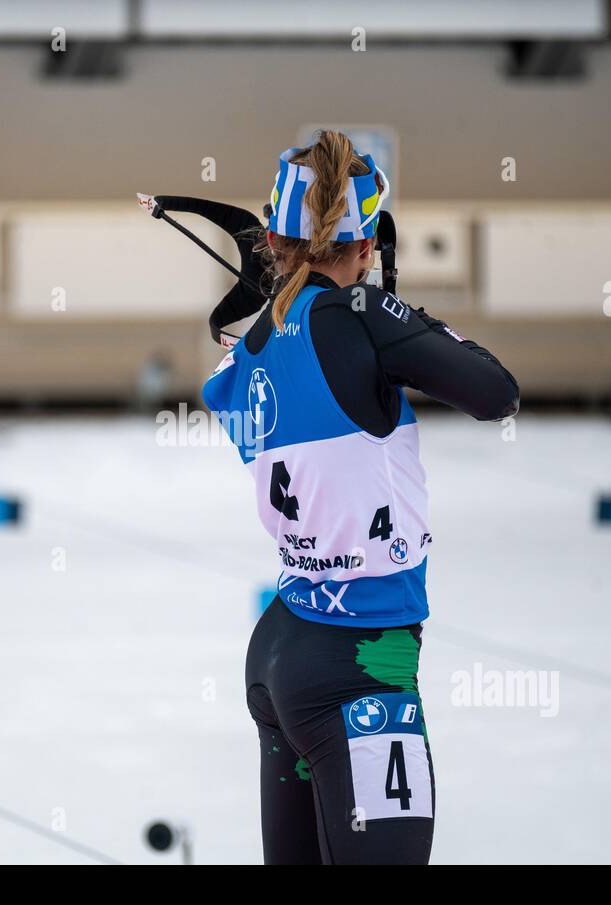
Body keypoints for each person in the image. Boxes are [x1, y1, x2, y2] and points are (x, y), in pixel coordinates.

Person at [201, 130, 519, 864]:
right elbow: (494, 392)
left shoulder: (248, 348)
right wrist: (395, 317)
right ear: (368, 242)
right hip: (359, 665)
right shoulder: (361, 319)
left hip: (283, 646)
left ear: (276, 239)